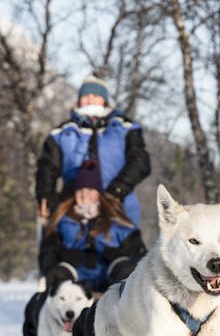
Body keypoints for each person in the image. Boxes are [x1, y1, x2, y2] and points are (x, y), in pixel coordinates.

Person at [35, 74, 150, 232]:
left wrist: (117, 191)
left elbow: (140, 161)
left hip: (118, 203)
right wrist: (48, 200)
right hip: (73, 206)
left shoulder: (124, 128)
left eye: (95, 96)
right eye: (85, 96)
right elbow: (46, 169)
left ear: (104, 100)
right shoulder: (62, 133)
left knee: (122, 250)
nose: (89, 100)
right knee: (68, 250)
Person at [39, 159, 147, 295]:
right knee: (57, 274)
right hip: (74, 285)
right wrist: (61, 258)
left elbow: (140, 255)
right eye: (80, 190)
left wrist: (119, 257)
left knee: (128, 271)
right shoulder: (62, 222)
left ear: (98, 193)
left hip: (111, 284)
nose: (85, 195)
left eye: (90, 189)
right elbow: (47, 252)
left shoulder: (118, 223)